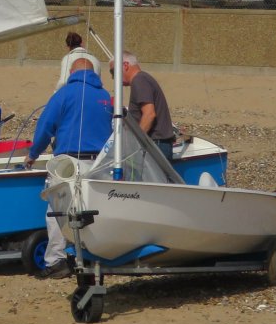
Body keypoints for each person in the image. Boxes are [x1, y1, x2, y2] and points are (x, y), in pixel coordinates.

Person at [26, 56, 114, 276]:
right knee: (92, 212)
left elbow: (45, 126)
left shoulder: (63, 94)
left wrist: (33, 154)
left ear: (71, 74)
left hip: (69, 161)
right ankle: (92, 256)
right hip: (98, 163)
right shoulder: (105, 96)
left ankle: (55, 260)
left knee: (57, 211)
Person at [122, 53, 176, 162]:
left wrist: (135, 143)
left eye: (113, 72)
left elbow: (149, 114)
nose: (113, 77)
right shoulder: (143, 78)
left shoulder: (139, 80)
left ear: (126, 65)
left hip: (155, 145)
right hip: (159, 144)